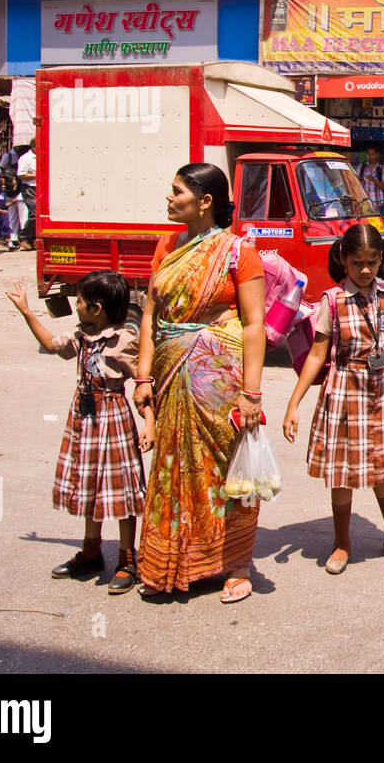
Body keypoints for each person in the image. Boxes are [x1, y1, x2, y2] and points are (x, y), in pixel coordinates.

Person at [132, 163, 266, 604]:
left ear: (205, 201)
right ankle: (177, 561)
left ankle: (236, 563)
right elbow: (151, 314)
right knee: (175, 469)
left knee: (225, 470)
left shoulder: (237, 252)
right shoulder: (167, 246)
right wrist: (143, 374)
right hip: (171, 377)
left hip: (220, 386)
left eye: (177, 192)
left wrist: (251, 393)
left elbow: (253, 325)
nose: (168, 199)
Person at [5, 272, 153, 595]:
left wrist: (149, 422)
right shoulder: (80, 337)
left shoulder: (123, 343)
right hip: (84, 423)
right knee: (90, 488)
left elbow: (144, 384)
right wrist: (27, 312)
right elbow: (49, 343)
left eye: (81, 301)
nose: (77, 306)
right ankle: (91, 552)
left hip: (113, 422)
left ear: (97, 308)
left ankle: (128, 559)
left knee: (121, 492)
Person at [283, 223, 384, 574]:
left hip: (382, 392)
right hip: (343, 392)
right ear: (343, 259)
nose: (366, 270)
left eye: (373, 261)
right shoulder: (331, 301)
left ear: (382, 260)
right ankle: (342, 543)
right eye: (358, 263)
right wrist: (294, 403)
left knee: (383, 469)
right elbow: (316, 355)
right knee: (341, 473)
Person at [0, 144, 27, 251]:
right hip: (11, 189)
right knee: (12, 216)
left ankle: (22, 237)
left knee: (23, 214)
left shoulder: (23, 155)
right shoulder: (8, 156)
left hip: (21, 188)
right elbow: (1, 170)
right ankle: (14, 238)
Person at [17, 138, 37, 249]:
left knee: (39, 215)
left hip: (40, 188)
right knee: (35, 213)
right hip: (29, 188)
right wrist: (36, 175)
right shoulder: (26, 158)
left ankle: (32, 239)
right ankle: (23, 236)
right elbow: (20, 174)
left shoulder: (41, 156)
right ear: (33, 146)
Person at [356, 144, 384, 212]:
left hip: (377, 202)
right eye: (369, 154)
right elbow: (355, 183)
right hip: (363, 202)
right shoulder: (361, 167)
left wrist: (374, 180)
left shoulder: (381, 168)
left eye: (372, 154)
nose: (370, 156)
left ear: (377, 155)